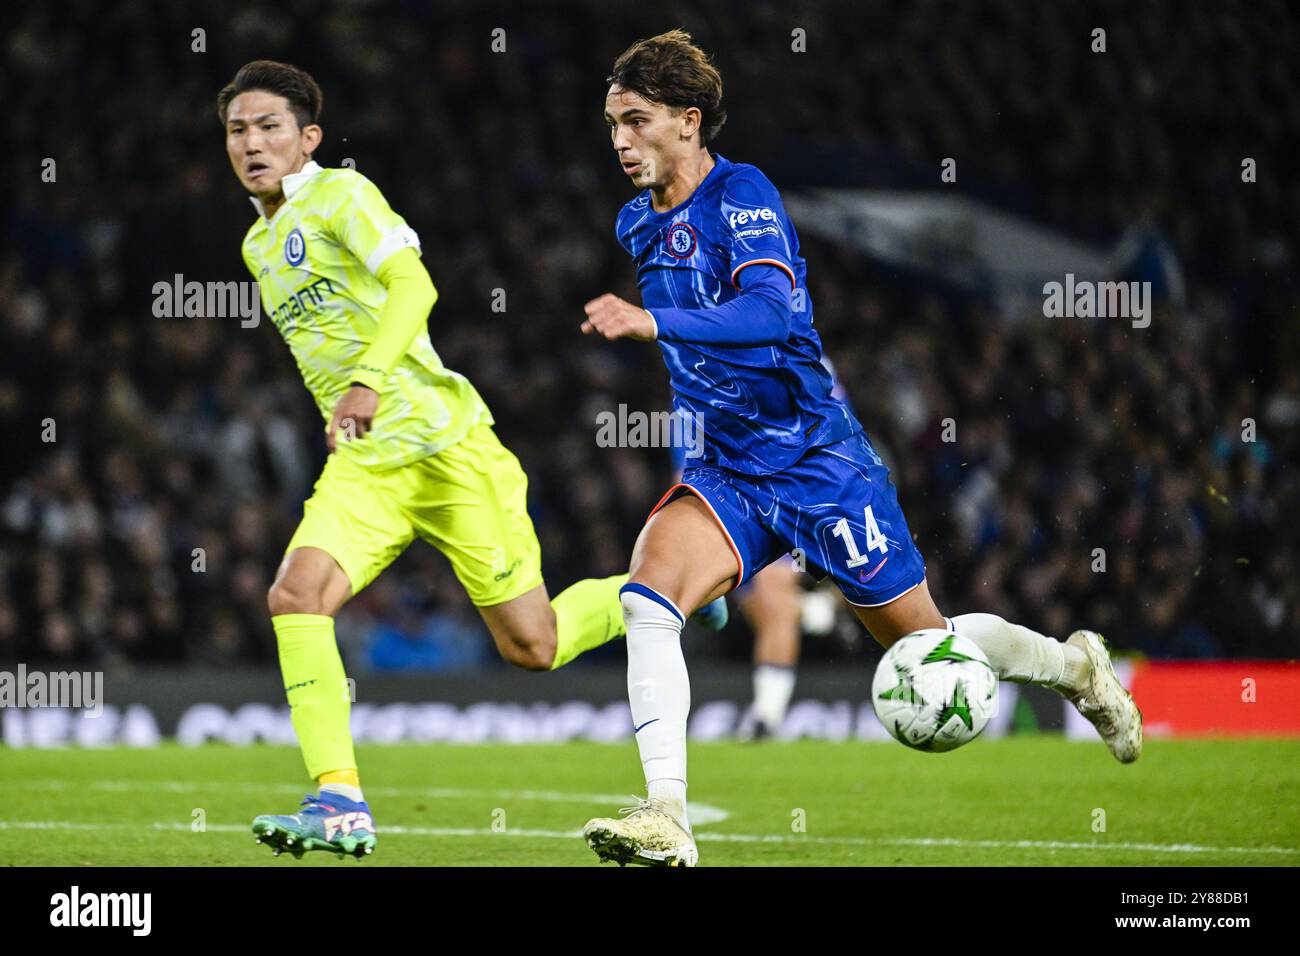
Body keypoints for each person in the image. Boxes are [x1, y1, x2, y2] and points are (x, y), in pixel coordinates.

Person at [579, 30, 1142, 867]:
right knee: (646, 598)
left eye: (636, 120)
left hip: (818, 464)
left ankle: (1075, 668)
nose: (620, 141)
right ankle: (669, 816)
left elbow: (772, 316)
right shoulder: (638, 222)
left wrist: (652, 319)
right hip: (726, 471)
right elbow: (695, 367)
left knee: (925, 644)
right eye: (612, 123)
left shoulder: (744, 196)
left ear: (688, 121)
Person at [219, 59, 674, 858]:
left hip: (446, 448)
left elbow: (414, 287)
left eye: (269, 127)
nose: (251, 142)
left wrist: (365, 381)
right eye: (237, 129)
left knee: (531, 647)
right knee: (296, 597)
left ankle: (663, 593)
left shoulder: (342, 197)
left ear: (308, 139)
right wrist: (349, 406)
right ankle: (340, 801)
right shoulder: (259, 244)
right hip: (366, 466)